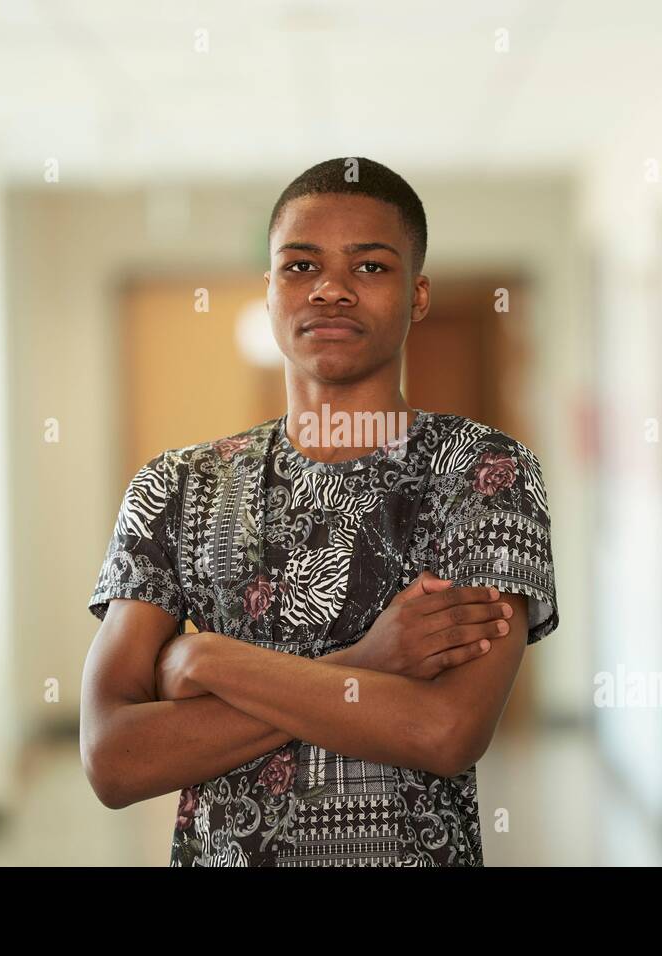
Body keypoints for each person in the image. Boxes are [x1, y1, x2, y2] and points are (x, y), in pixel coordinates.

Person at [80, 157, 559, 866]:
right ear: (269, 290)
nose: (331, 289)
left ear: (417, 294)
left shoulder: (482, 473)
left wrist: (206, 658)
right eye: (300, 267)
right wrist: (369, 660)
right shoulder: (176, 486)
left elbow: (445, 731)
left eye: (369, 268)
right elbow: (114, 759)